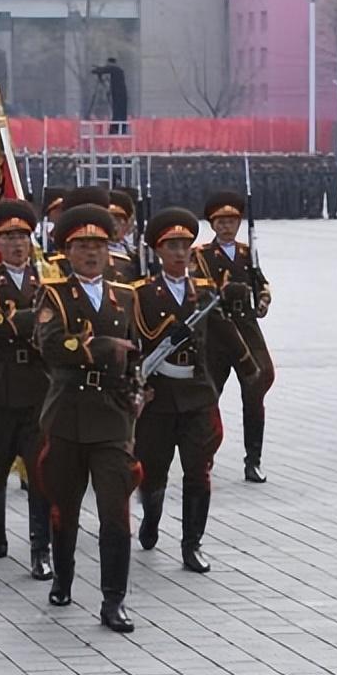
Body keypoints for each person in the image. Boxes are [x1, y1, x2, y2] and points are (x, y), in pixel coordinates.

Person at [132, 207, 257, 574]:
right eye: (171, 246)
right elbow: (134, 341)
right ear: (158, 250)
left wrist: (248, 366)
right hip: (159, 397)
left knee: (199, 471)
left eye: (184, 245)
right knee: (153, 471)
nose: (179, 252)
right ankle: (151, 515)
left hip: (198, 394)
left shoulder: (204, 293)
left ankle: (192, 544)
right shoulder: (141, 294)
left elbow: (224, 331)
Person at [33, 204, 140, 633]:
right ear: (68, 252)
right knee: (65, 506)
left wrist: (137, 386)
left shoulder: (126, 295)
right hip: (69, 412)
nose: (92, 254)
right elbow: (52, 345)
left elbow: (135, 350)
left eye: (99, 246)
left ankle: (114, 599)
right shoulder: (54, 293)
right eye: (83, 247)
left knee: (115, 511)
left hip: (112, 415)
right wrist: (101, 347)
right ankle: (63, 574)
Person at [0, 199, 53, 580]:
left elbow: (58, 322)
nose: (17, 244)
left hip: (39, 387)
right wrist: (38, 319)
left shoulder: (48, 279)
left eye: (23, 237)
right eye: (9, 237)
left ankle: (40, 548)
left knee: (41, 471)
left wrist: (18, 318)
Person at [191, 192, 276, 483]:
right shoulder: (200, 255)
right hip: (217, 331)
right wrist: (221, 292)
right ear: (212, 225)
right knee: (208, 394)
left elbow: (261, 284)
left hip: (246, 328)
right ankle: (204, 455)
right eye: (221, 222)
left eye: (232, 221)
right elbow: (199, 290)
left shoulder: (246, 252)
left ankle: (253, 460)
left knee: (256, 389)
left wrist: (262, 302)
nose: (227, 227)